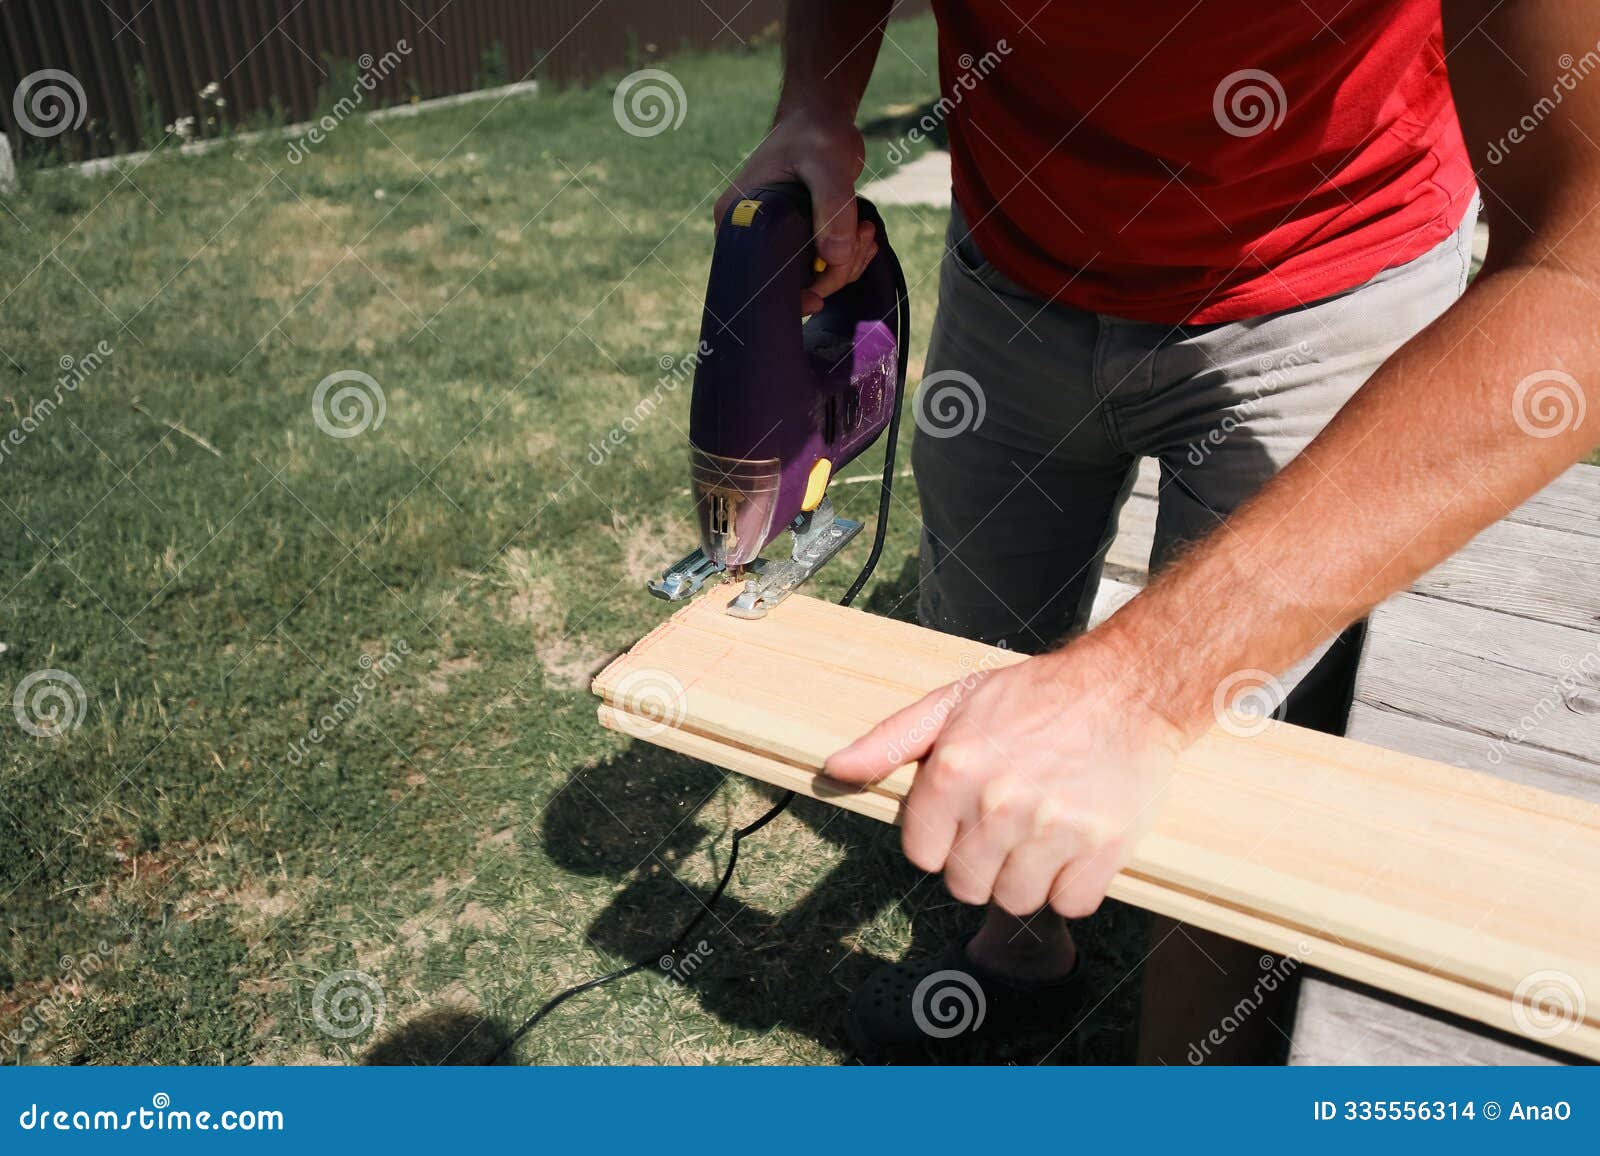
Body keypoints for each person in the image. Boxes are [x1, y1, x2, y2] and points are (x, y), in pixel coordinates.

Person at [715, 0, 1600, 1059]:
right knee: (975, 643)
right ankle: (1019, 943)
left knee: (1230, 758)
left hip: (1324, 276)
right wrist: (817, 101)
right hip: (1016, 260)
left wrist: (1146, 678)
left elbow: (1579, 265)